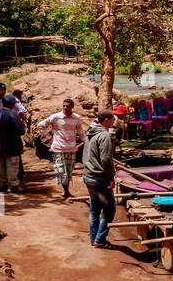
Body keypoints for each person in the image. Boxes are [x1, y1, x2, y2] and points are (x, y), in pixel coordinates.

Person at [37, 97, 86, 200]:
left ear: (72, 107)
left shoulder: (76, 118)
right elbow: (40, 125)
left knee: (69, 171)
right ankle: (67, 192)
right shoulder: (55, 117)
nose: (65, 108)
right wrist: (48, 137)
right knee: (61, 170)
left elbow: (81, 132)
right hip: (58, 148)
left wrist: (86, 142)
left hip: (71, 148)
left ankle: (65, 191)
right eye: (63, 105)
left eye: (67, 106)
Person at [81, 110, 117, 248]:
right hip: (99, 178)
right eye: (112, 119)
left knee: (94, 208)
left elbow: (86, 155)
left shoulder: (91, 132)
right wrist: (111, 177)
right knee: (109, 209)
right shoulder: (104, 135)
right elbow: (106, 159)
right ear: (106, 120)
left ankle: (94, 238)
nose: (114, 122)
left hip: (88, 175)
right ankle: (100, 239)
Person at [0, 94, 25, 192]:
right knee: (12, 165)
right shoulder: (12, 114)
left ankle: (2, 184)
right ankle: (13, 185)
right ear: (12, 104)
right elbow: (21, 130)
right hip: (12, 145)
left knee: (1, 165)